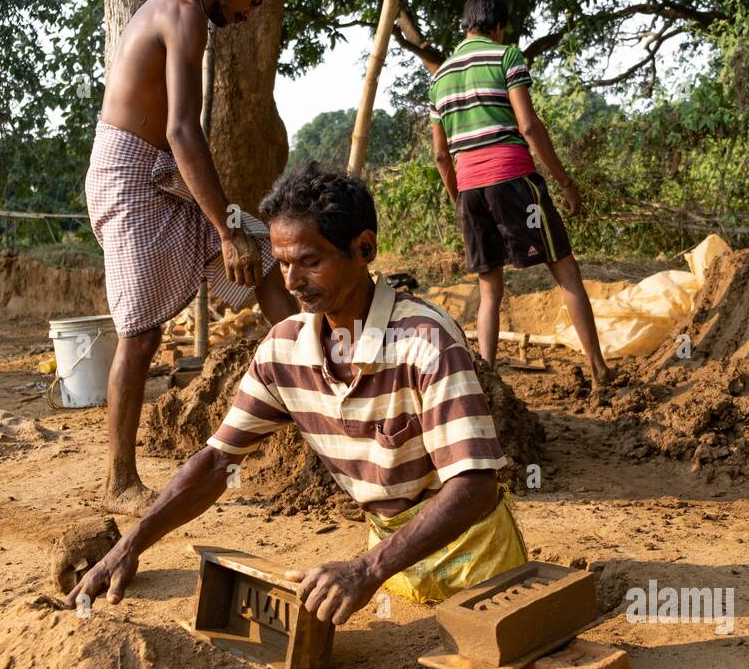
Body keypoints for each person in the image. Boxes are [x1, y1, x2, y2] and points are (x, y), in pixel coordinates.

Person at [67, 163, 529, 622]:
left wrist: (367, 570)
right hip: (395, 576)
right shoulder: (284, 350)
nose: (290, 282)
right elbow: (216, 464)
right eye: (283, 263)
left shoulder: (426, 342)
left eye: (310, 261)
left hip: (480, 570)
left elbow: (475, 488)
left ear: (364, 248)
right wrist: (130, 545)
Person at [86, 0, 298, 516]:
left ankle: (316, 389)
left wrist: (236, 231)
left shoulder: (178, 12)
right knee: (141, 331)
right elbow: (182, 129)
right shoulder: (183, 14)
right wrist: (224, 231)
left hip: (161, 176)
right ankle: (119, 481)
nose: (247, 15)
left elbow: (179, 138)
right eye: (251, 0)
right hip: (130, 176)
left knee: (265, 261)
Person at [429, 0, 615, 392]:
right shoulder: (506, 56)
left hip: (470, 189)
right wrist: (565, 182)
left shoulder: (439, 78)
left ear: (465, 26)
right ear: (498, 27)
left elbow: (442, 157)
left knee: (489, 289)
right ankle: (600, 371)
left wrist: (460, 199)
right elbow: (528, 127)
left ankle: (488, 384)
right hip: (514, 179)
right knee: (565, 270)